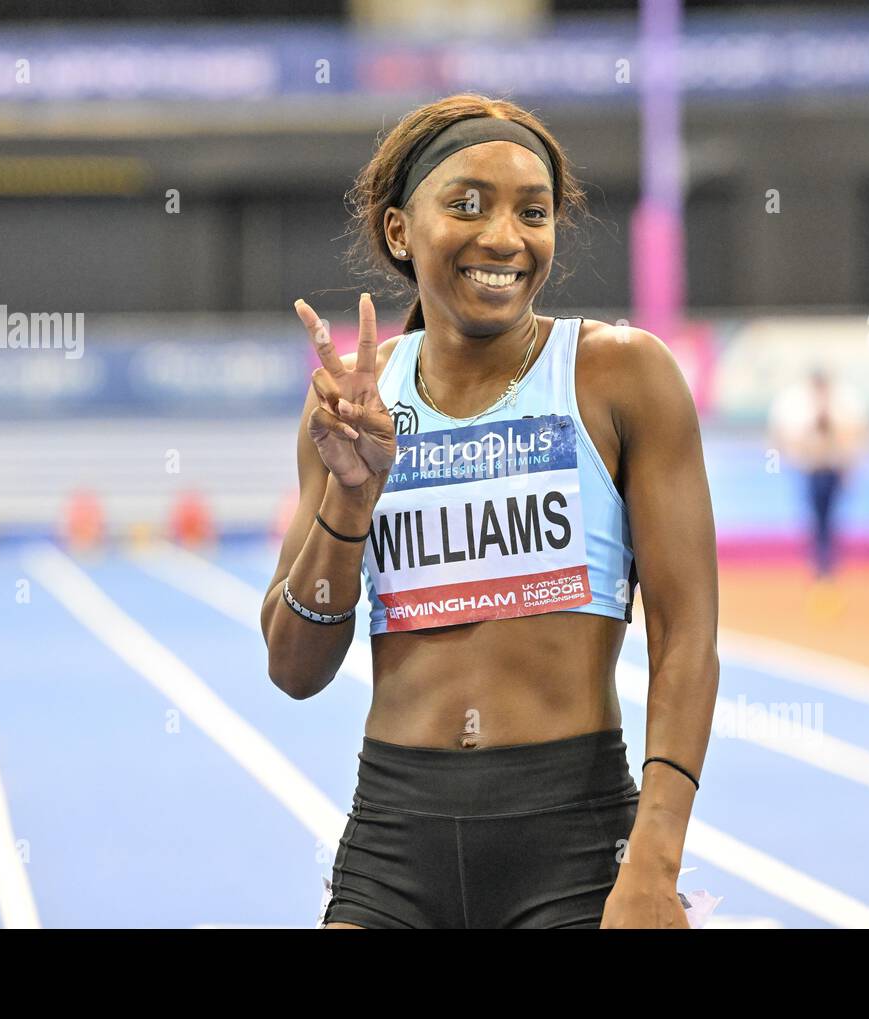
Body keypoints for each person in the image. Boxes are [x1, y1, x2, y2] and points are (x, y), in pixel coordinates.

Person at [260, 94, 719, 929]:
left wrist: (654, 862)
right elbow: (294, 668)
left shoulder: (620, 376)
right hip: (395, 837)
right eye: (467, 204)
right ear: (401, 232)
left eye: (532, 212)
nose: (504, 236)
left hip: (576, 845)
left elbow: (686, 639)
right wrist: (349, 501)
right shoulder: (355, 404)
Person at [768, 367, 869, 587]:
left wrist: (849, 465)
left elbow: (854, 437)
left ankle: (827, 567)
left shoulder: (843, 404)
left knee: (829, 520)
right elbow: (787, 439)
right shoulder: (799, 406)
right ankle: (820, 567)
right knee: (816, 520)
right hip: (812, 470)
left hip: (833, 468)